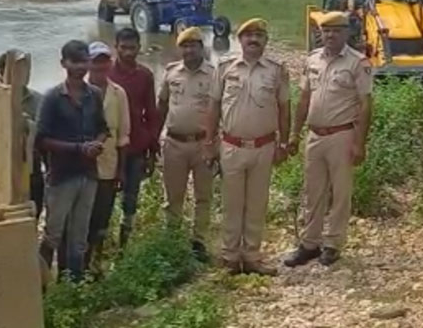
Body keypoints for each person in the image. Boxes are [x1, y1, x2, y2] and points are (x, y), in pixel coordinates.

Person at [284, 11, 373, 268]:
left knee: (340, 192)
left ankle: (333, 244)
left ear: (346, 33)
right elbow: (303, 100)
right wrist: (294, 133)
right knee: (312, 192)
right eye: (327, 31)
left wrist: (359, 142)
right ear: (320, 33)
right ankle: (309, 244)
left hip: (341, 135)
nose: (331, 35)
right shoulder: (312, 60)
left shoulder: (358, 63)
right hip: (315, 135)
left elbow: (365, 105)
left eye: (337, 30)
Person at [205, 18, 290, 276]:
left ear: (265, 41)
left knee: (256, 202)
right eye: (248, 35)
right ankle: (230, 257)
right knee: (231, 202)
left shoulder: (276, 70)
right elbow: (213, 106)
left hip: (264, 147)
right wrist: (210, 142)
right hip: (231, 146)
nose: (253, 40)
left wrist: (283, 143)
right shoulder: (225, 67)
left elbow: (285, 108)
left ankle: (252, 256)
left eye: (259, 35)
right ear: (239, 40)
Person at [36, 40, 108, 281]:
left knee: (80, 234)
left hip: (88, 174)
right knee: (53, 233)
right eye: (74, 62)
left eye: (84, 61)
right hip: (61, 175)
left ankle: (74, 284)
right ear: (63, 64)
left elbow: (103, 128)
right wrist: (78, 148)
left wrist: (97, 144)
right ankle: (40, 283)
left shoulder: (94, 95)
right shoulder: (52, 98)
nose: (81, 67)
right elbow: (42, 139)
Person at [59, 41, 131, 275]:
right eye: (95, 61)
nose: (99, 66)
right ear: (87, 63)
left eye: (104, 61)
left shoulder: (119, 94)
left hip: (107, 167)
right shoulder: (69, 91)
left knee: (101, 218)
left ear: (110, 63)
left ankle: (95, 264)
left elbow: (122, 136)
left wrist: (120, 171)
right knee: (75, 221)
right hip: (77, 169)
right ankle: (71, 269)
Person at [157, 27, 214, 262]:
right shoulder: (171, 73)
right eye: (185, 46)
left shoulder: (214, 74)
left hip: (202, 144)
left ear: (202, 47)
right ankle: (172, 240)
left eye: (194, 45)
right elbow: (161, 106)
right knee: (173, 196)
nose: (189, 50)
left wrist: (215, 145)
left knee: (203, 196)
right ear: (179, 48)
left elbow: (219, 111)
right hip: (174, 144)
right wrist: (154, 138)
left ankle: (199, 242)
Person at [108, 27, 161, 247]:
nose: (128, 53)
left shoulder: (145, 75)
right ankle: (99, 246)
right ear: (116, 47)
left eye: (132, 48)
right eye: (123, 48)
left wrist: (152, 151)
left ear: (139, 48)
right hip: (109, 149)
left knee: (131, 199)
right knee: (105, 199)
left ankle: (124, 245)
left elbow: (151, 114)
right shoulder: (105, 73)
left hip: (137, 147)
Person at [0, 51, 44, 218]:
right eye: (17, 71)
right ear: (3, 72)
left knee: (33, 214)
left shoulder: (39, 100)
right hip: (1, 172)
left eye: (26, 71)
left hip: (32, 169)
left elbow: (44, 137)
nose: (23, 76)